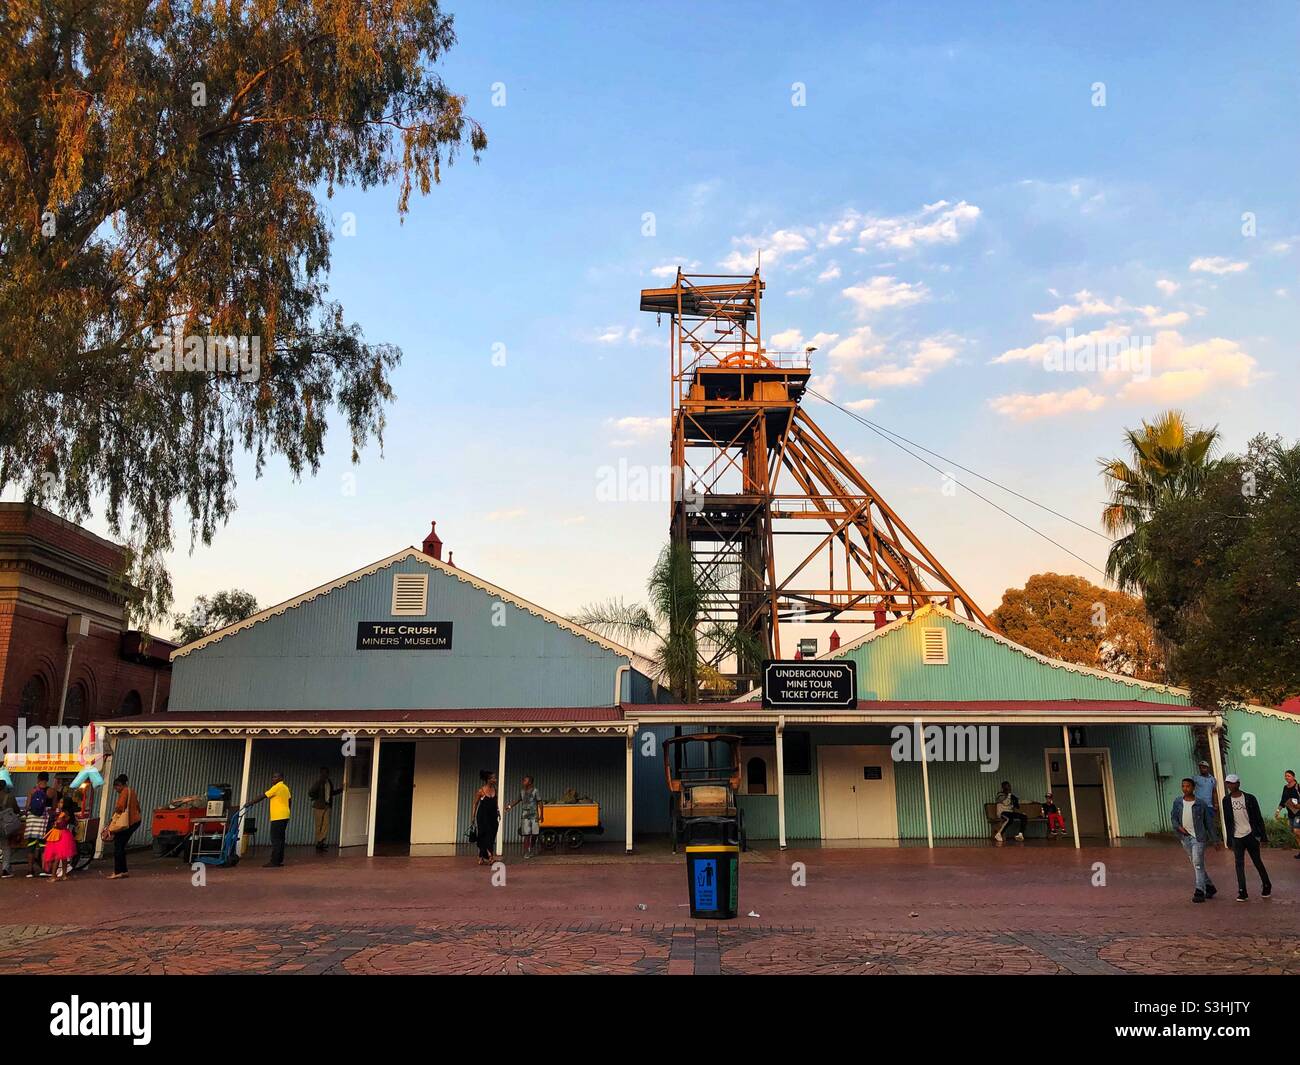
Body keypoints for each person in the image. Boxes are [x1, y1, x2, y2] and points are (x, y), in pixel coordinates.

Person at [1222, 773, 1271, 901]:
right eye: (1228, 783)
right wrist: (1229, 839)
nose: (1230, 785)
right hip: (1236, 837)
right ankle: (1242, 891)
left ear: (1238, 784)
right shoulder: (1226, 801)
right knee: (1239, 864)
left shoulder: (1249, 798)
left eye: (1233, 783)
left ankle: (1266, 884)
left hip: (1251, 835)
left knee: (1257, 861)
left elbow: (1258, 818)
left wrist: (1263, 836)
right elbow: (1228, 821)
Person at [1172, 777, 1217, 903]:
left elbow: (1208, 822)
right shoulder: (1178, 802)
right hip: (1185, 837)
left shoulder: (1200, 804)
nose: (1185, 788)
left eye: (1188, 786)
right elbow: (1174, 818)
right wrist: (1179, 828)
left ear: (1193, 788)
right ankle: (1210, 886)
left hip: (1198, 837)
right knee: (1196, 863)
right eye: (1183, 786)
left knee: (1197, 863)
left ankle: (1199, 890)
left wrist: (1215, 839)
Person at [105, 774, 142, 880]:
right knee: (121, 845)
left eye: (116, 787)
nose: (115, 789)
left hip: (128, 822)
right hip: (135, 821)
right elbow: (138, 807)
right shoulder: (132, 791)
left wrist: (112, 820)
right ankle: (124, 871)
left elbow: (119, 807)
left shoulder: (124, 792)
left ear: (119, 785)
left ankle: (118, 871)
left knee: (118, 845)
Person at [251, 773, 292, 868]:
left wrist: (251, 802)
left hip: (278, 816)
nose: (273, 779)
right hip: (285, 815)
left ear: (281, 778)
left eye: (276, 777)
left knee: (275, 839)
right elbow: (290, 800)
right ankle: (279, 860)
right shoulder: (285, 787)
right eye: (272, 777)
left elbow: (263, 795)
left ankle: (274, 861)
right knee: (281, 839)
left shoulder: (277, 787)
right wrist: (287, 810)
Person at [505, 775, 543, 860]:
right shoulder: (522, 791)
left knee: (535, 834)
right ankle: (527, 851)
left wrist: (542, 815)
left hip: (534, 815)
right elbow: (518, 800)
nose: (523, 782)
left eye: (525, 780)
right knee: (526, 834)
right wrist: (510, 806)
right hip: (525, 815)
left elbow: (540, 803)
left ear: (530, 782)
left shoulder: (536, 791)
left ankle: (531, 847)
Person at [25, 773, 51, 878]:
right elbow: (54, 807)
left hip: (32, 821)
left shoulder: (32, 791)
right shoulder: (51, 791)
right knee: (43, 846)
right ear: (48, 779)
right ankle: (45, 869)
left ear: (38, 779)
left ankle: (30, 871)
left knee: (31, 845)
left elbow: (27, 806)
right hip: (43, 822)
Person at [307, 767, 339, 853]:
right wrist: (316, 798)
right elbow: (310, 792)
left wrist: (340, 790)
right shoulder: (319, 782)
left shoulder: (329, 782)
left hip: (327, 806)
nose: (325, 775)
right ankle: (319, 842)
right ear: (321, 774)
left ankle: (321, 841)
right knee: (319, 825)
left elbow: (331, 793)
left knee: (326, 824)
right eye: (323, 773)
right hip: (319, 807)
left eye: (326, 773)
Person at [42, 804, 77, 882]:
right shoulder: (68, 814)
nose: (59, 804)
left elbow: (58, 823)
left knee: (57, 857)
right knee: (63, 857)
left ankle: (53, 876)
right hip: (65, 834)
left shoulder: (62, 814)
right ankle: (64, 875)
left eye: (61, 802)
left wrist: (56, 819)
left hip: (58, 835)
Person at [471, 770, 500, 865]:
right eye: (493, 778)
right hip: (483, 816)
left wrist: (498, 811)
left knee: (491, 836)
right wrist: (473, 817)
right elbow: (475, 804)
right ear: (488, 780)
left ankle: (481, 856)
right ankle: (490, 857)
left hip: (493, 816)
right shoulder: (481, 791)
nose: (495, 779)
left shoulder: (495, 790)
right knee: (484, 835)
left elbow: (496, 803)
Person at [1275, 769, 1300, 859]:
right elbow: (1283, 800)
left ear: (1293, 777)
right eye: (1285, 776)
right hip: (1291, 813)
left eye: (1289, 776)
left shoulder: (1298, 786)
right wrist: (1278, 811)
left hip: (1299, 813)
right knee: (1295, 833)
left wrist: (1298, 805)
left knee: (1297, 831)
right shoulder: (1285, 787)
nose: (1287, 777)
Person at [1192, 759, 1219, 839]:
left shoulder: (1213, 779)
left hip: (1209, 805)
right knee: (1199, 823)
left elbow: (1214, 792)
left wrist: (1216, 803)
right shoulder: (1195, 778)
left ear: (1208, 768)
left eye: (1204, 767)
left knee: (1209, 823)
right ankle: (1201, 839)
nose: (1202, 769)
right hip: (1198, 805)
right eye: (1200, 767)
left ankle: (1213, 839)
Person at [0, 781, 20, 879]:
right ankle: (5, 869)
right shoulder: (9, 797)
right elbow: (16, 810)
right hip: (4, 826)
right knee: (6, 847)